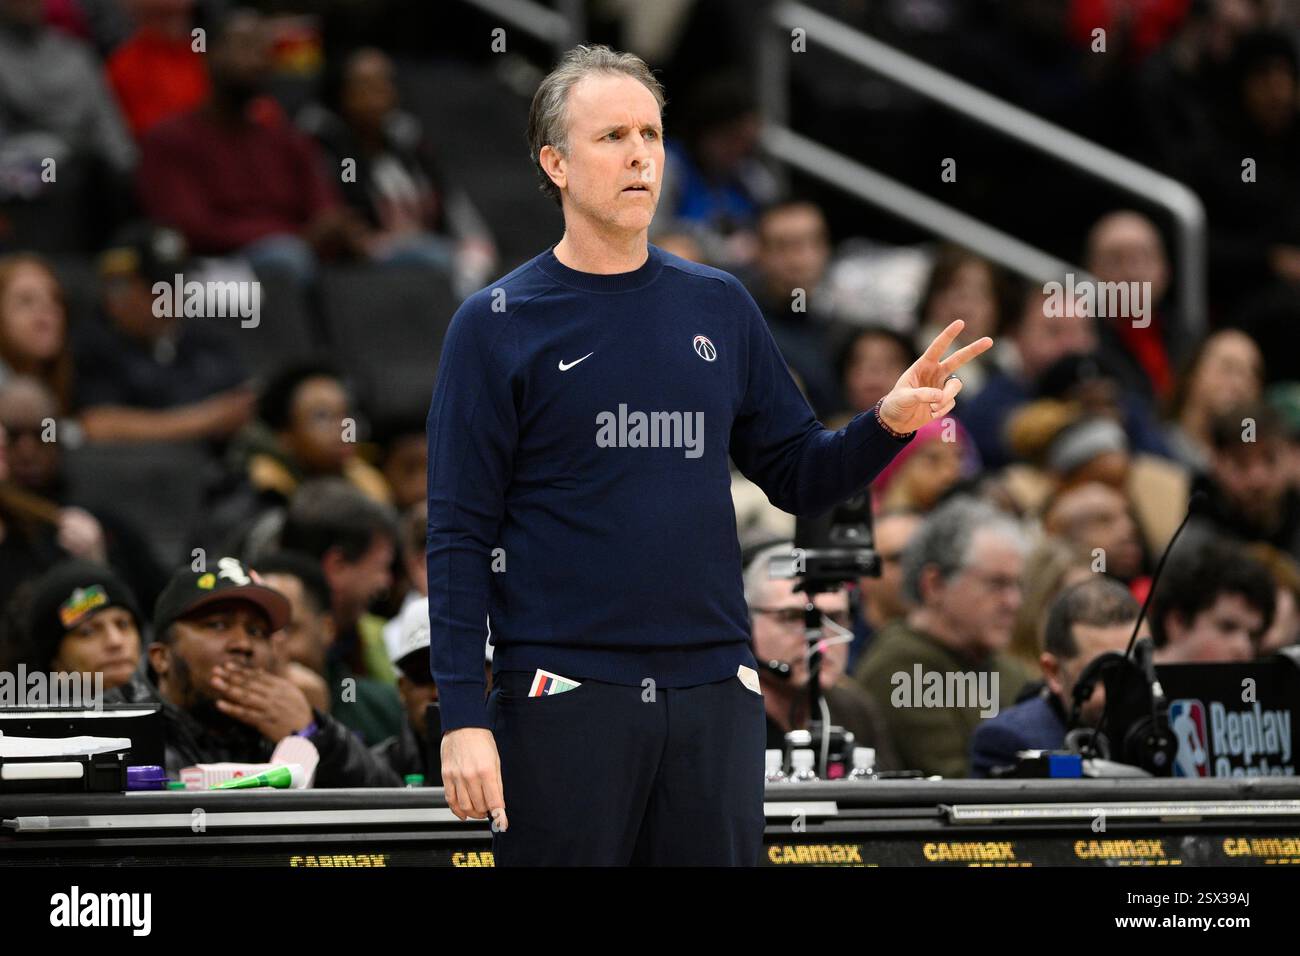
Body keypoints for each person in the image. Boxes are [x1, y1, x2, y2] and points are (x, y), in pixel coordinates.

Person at [428, 45, 990, 866]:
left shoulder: (719, 303)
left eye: (651, 134)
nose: (638, 155)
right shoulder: (497, 321)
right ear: (554, 162)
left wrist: (887, 422)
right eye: (611, 135)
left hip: (716, 689)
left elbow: (799, 473)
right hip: (563, 689)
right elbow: (457, 533)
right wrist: (462, 718)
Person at [104, 556, 400, 786]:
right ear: (161, 658)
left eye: (256, 631)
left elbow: (389, 802)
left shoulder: (282, 729)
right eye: (218, 625)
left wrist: (315, 733)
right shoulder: (115, 730)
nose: (243, 644)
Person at [853, 497, 1034, 778]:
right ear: (935, 584)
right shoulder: (898, 668)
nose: (1013, 602)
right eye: (996, 584)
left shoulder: (1007, 669)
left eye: (1017, 585)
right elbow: (959, 790)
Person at [744, 542, 899, 770]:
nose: (820, 639)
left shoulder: (855, 709)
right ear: (746, 622)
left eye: (835, 618)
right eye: (793, 617)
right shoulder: (724, 714)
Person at [969, 577, 1139, 777]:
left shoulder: (1174, 729)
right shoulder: (1008, 742)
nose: (1122, 691)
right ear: (1053, 672)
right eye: (1102, 675)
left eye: (1136, 671)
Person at [256, 548, 402, 745]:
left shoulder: (381, 707)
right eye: (257, 631)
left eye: (288, 629)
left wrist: (318, 724)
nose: (274, 649)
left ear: (327, 629)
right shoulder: (223, 713)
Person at [23, 559, 144, 691]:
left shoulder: (167, 705)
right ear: (55, 659)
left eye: (123, 624)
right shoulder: (31, 710)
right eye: (88, 632)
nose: (115, 641)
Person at [1150, 537, 1275, 663]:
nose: (1243, 648)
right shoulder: (1133, 679)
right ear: (1177, 623)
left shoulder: (1245, 681)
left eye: (1253, 637)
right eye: (1227, 627)